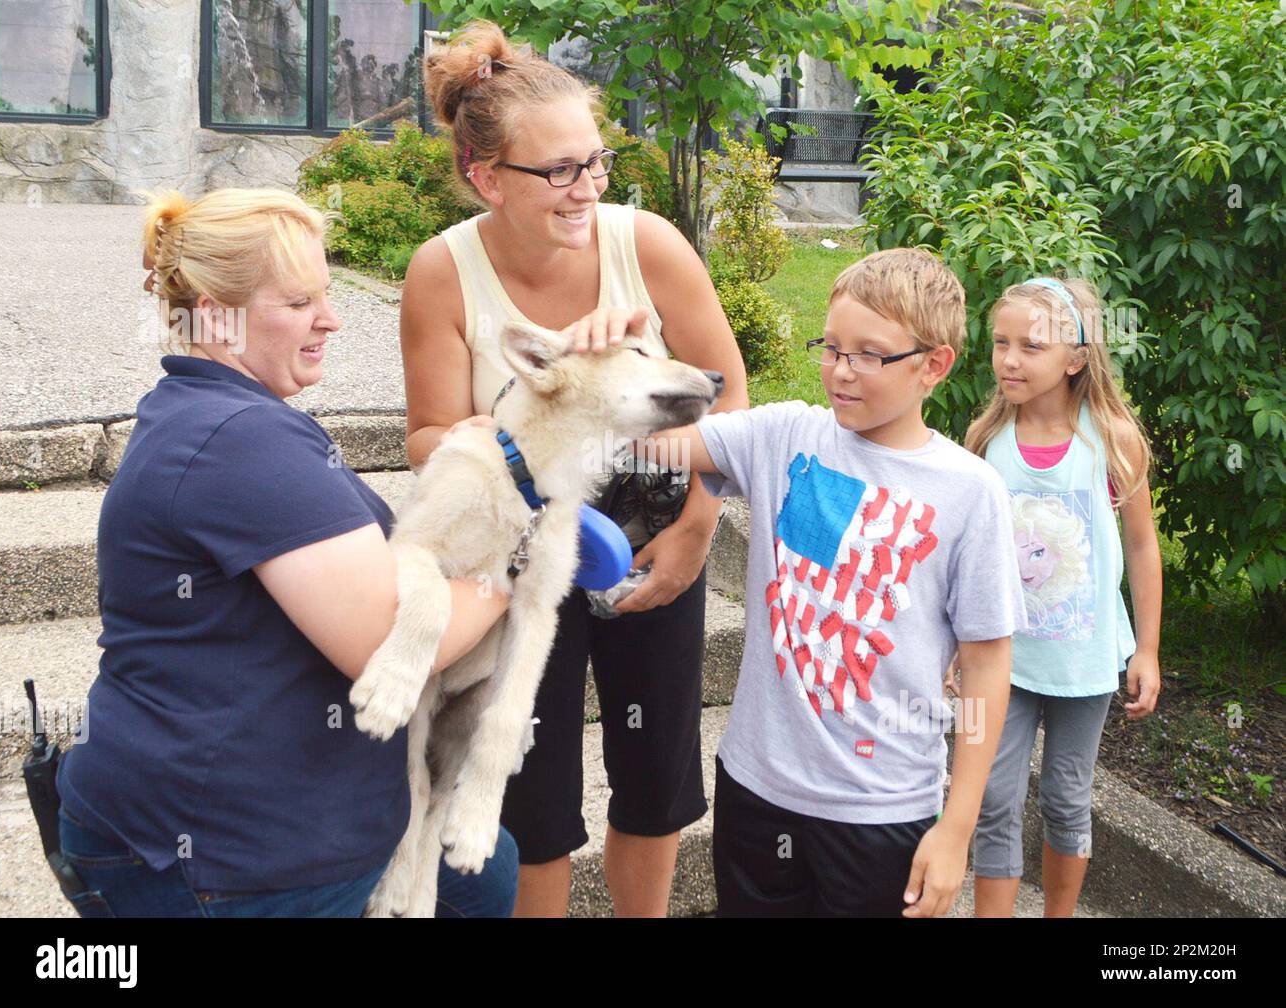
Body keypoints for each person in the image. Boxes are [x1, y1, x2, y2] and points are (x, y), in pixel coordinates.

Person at [55, 187, 518, 918]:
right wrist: (511, 569)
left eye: (326, 295)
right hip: (229, 857)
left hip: (291, 822)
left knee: (483, 877)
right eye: (301, 302)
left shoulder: (214, 413)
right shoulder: (239, 439)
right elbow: (385, 639)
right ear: (214, 312)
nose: (331, 319)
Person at [401, 20, 748, 917]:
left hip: (654, 551)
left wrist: (696, 534)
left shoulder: (650, 247)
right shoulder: (443, 274)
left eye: (594, 163)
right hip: (521, 567)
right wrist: (529, 425)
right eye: (558, 171)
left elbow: (731, 398)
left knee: (656, 778)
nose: (585, 187)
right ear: (486, 177)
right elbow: (427, 437)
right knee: (533, 793)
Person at [644, 247, 1027, 916]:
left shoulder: (971, 492)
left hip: (883, 816)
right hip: (756, 794)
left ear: (934, 365)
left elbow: (988, 663)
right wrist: (623, 364)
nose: (841, 372)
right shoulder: (784, 437)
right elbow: (656, 441)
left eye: (869, 355)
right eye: (832, 348)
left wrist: (957, 827)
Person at [963, 276, 1161, 917]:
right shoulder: (986, 441)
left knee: (1066, 797)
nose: (1010, 359)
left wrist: (1148, 651)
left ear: (1076, 358)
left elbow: (1141, 547)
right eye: (1000, 343)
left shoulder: (1111, 440)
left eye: (1031, 346)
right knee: (992, 794)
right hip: (1003, 659)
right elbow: (968, 554)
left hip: (1085, 662)